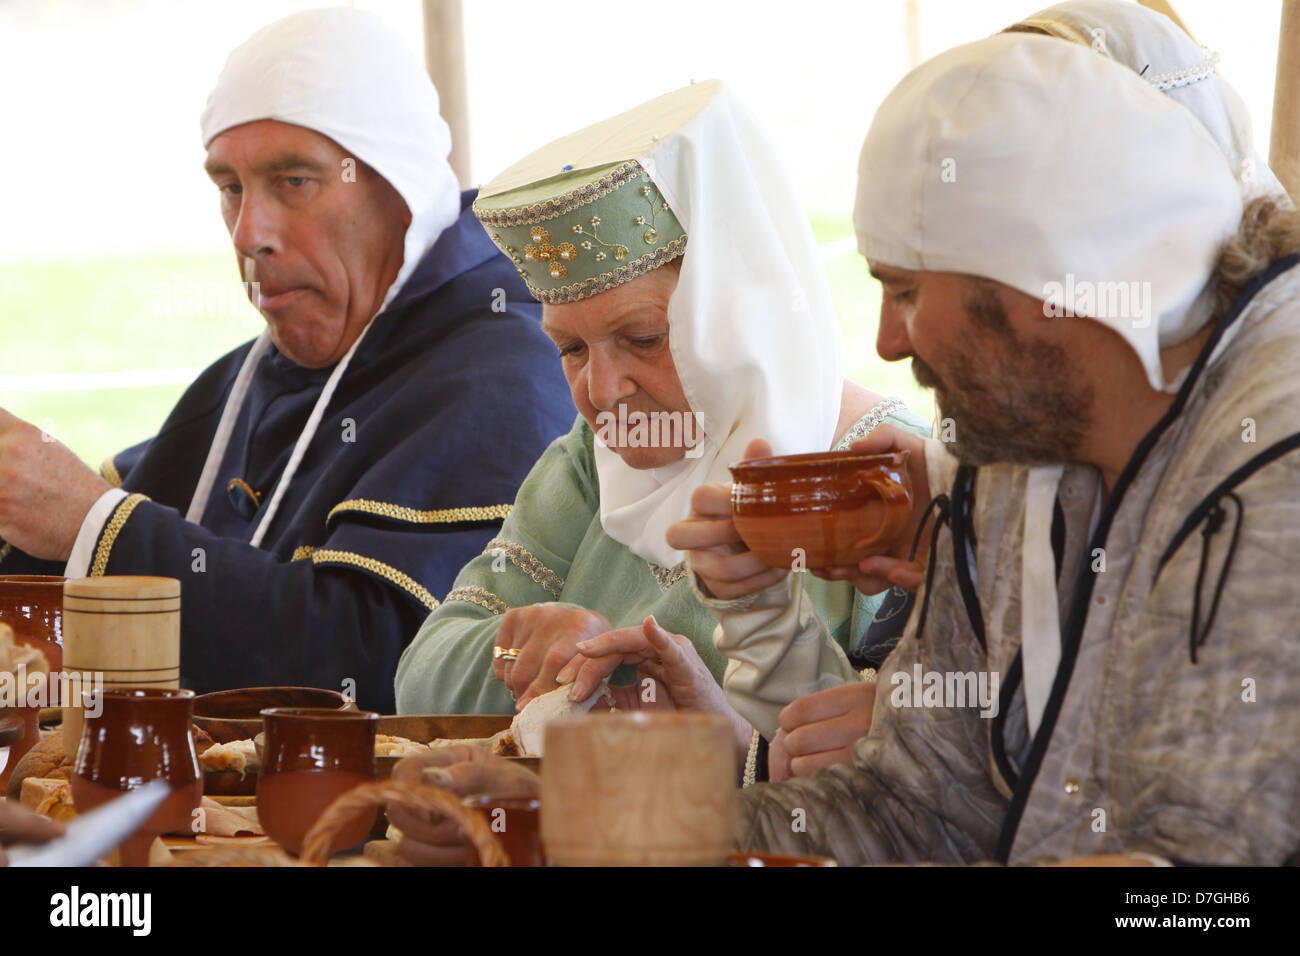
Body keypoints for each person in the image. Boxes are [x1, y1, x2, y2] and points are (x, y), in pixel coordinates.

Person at [679, 0, 1295, 785]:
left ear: (1047, 271)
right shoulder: (1012, 459)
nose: (885, 346)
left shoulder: (1269, 467)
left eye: (904, 292)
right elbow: (911, 805)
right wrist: (581, 813)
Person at [0, 9, 575, 713]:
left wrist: (92, 523)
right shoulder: (245, 375)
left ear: (400, 191)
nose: (250, 233)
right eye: (231, 188)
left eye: (294, 181)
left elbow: (375, 662)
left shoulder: (500, 370)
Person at [392, 80, 930, 759]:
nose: (602, 391)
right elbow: (420, 679)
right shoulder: (595, 464)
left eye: (644, 339)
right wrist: (529, 644)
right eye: (571, 348)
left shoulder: (888, 485)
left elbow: (892, 777)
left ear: (740, 316)